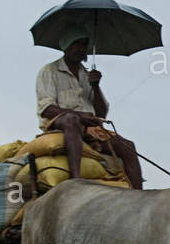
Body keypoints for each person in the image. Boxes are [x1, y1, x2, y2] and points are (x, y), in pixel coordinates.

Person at [35, 29, 143, 189]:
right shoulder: (49, 71)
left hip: (91, 128)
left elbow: (101, 113)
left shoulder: (87, 75)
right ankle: (75, 180)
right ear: (66, 46)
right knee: (71, 119)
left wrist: (95, 86)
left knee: (128, 147)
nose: (80, 48)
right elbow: (46, 108)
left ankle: (138, 195)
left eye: (84, 45)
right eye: (75, 44)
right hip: (62, 124)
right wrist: (79, 116)